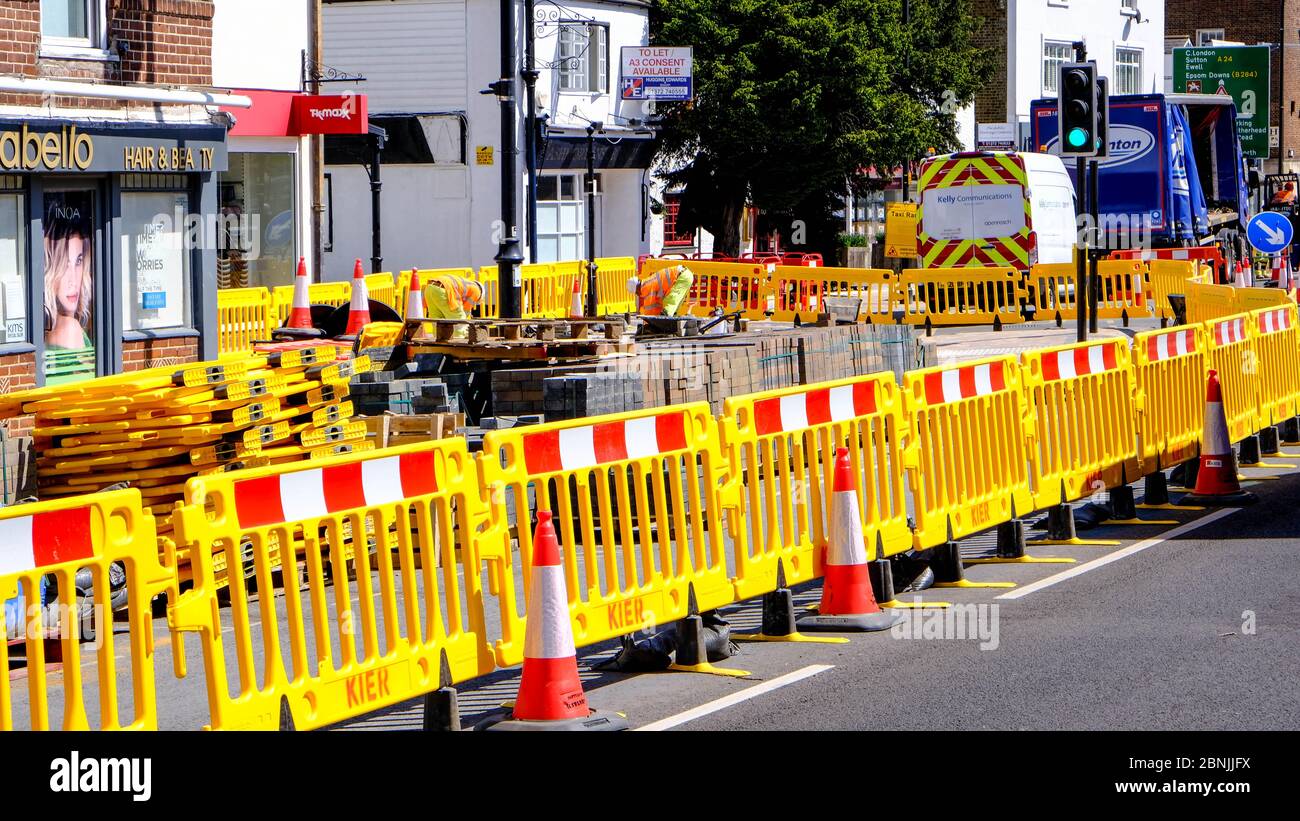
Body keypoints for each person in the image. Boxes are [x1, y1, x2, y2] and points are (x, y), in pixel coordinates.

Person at [44, 218, 93, 350]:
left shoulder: (49, 328)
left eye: (78, 261)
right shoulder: (70, 328)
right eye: (65, 264)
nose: (73, 280)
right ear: (52, 269)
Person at [422, 272, 484, 338]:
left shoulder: (466, 283)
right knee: (459, 320)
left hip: (430, 288)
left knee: (437, 321)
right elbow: (465, 310)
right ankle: (459, 340)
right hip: (444, 289)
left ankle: (438, 340)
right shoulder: (477, 291)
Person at [627, 264, 695, 316]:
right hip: (685, 275)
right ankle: (673, 322)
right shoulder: (648, 282)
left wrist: (648, 324)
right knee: (675, 307)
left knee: (670, 302)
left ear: (636, 291)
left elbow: (651, 310)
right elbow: (658, 304)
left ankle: (666, 319)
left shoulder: (646, 289)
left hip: (682, 276)